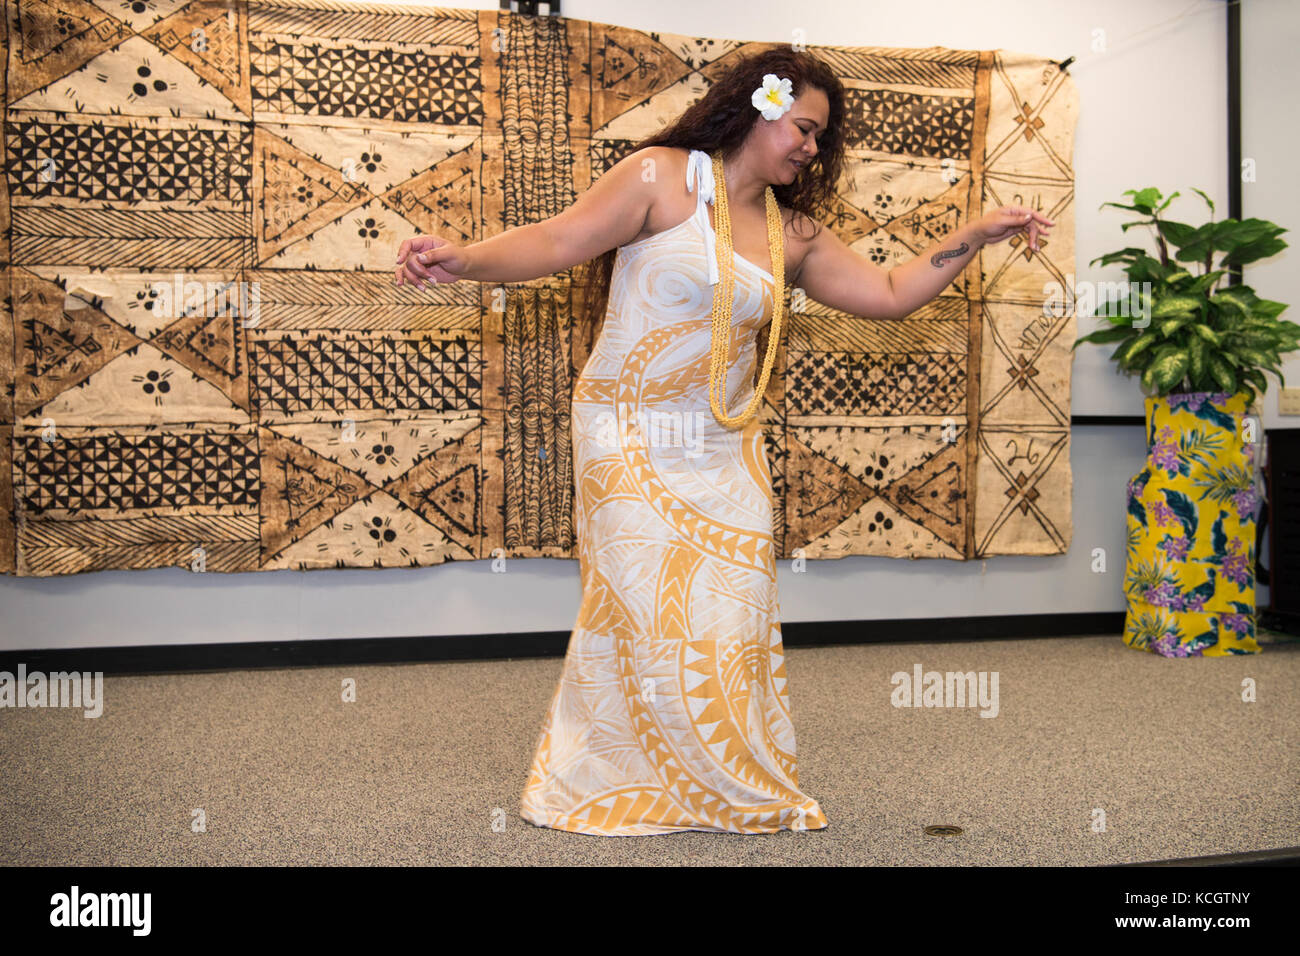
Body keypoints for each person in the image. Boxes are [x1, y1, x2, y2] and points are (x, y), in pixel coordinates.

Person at [395, 47, 1052, 836]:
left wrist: (974, 234)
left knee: (730, 611)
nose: (812, 146)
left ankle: (723, 780)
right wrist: (463, 259)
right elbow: (557, 241)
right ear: (760, 107)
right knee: (643, 609)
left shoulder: (793, 231)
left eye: (821, 137)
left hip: (721, 441)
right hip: (626, 432)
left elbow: (887, 293)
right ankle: (613, 783)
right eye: (804, 128)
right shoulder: (660, 177)